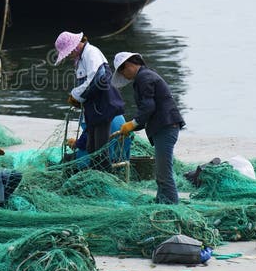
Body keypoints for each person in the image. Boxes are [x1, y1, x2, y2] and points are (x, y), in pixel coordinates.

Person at [112, 51, 184, 204]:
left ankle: (172, 208)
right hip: (163, 127)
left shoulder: (144, 77)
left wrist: (132, 123)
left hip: (166, 127)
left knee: (164, 173)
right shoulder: (145, 75)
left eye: (122, 71)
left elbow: (148, 107)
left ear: (129, 65)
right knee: (161, 172)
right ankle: (161, 202)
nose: (124, 76)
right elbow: (147, 112)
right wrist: (132, 127)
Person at [54, 31, 126, 160]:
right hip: (93, 110)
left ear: (74, 47)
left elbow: (97, 78)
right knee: (91, 148)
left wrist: (76, 95)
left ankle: (102, 176)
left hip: (103, 108)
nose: (68, 56)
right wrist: (79, 97)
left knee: (100, 152)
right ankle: (94, 173)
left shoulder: (90, 53)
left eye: (68, 53)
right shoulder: (80, 59)